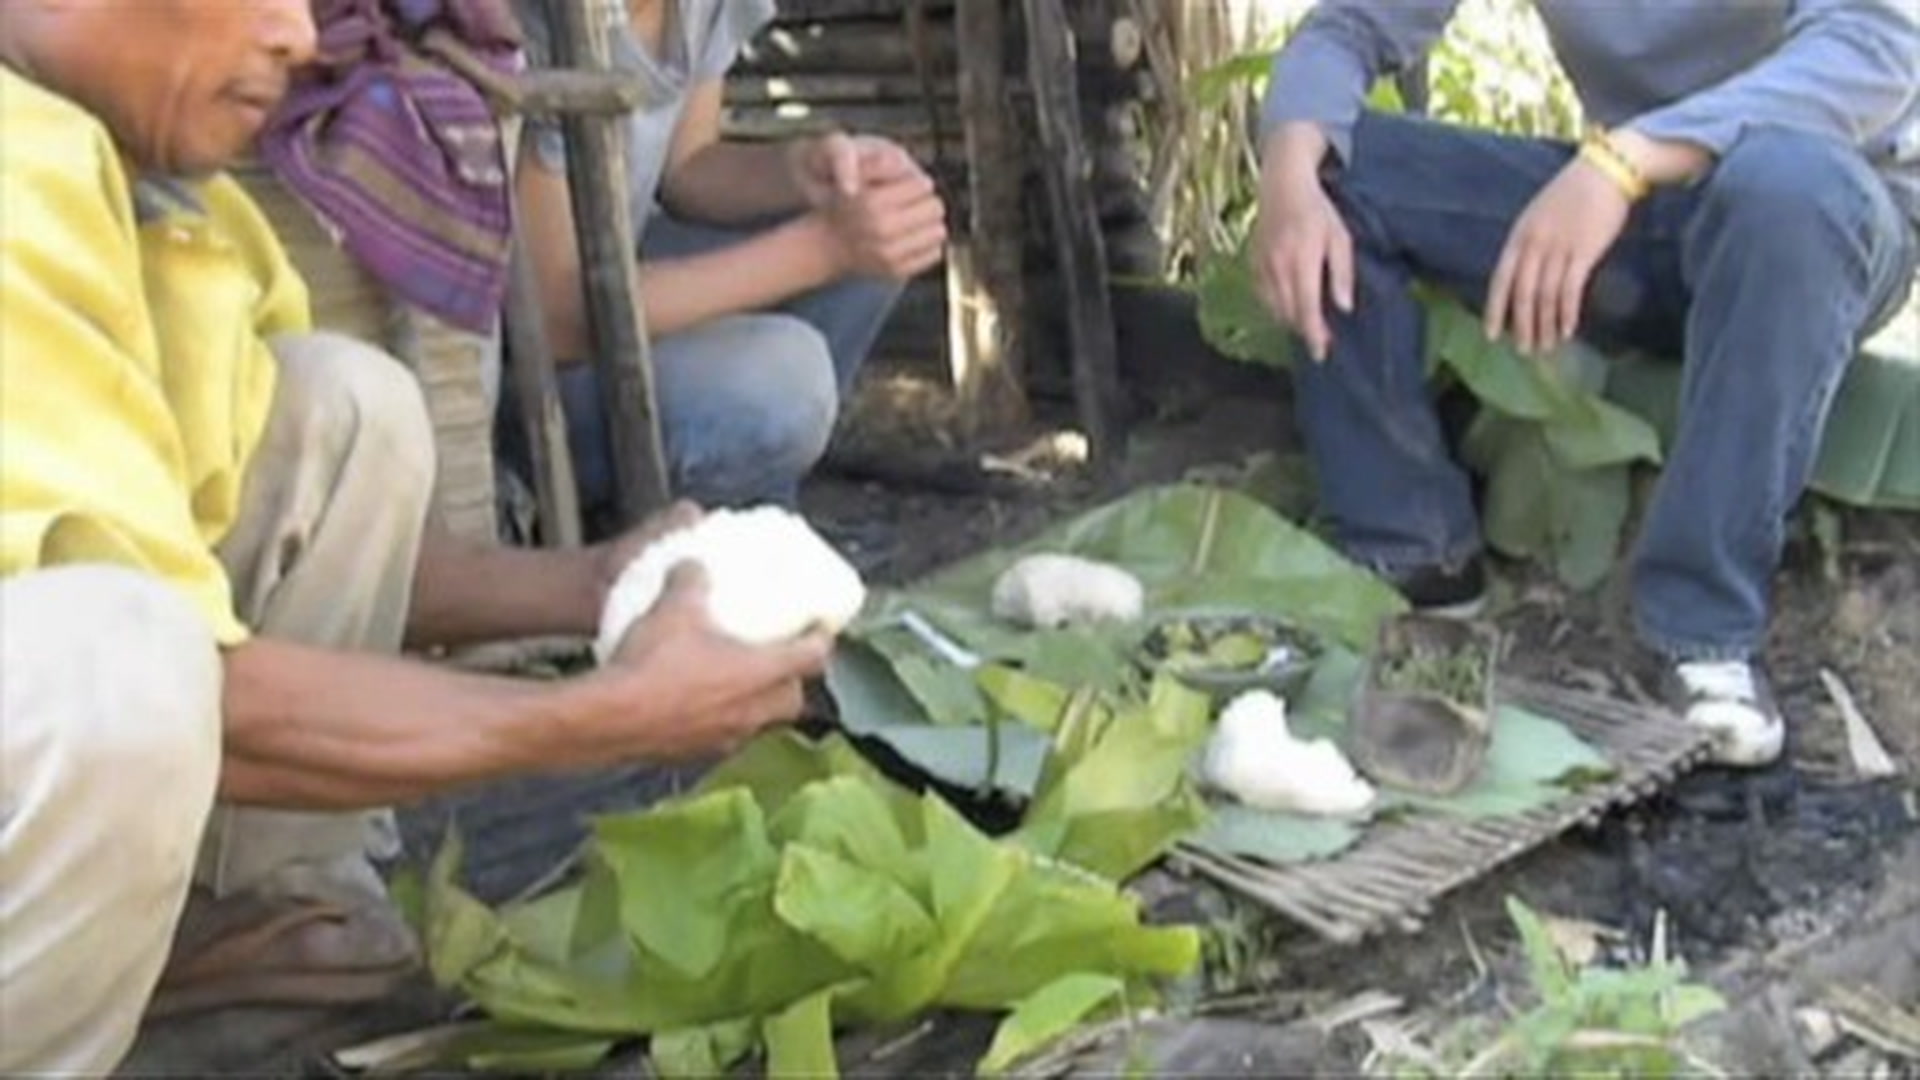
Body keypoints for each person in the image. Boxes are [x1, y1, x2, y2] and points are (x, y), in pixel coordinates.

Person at [0, 1, 833, 1072]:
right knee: (123, 668)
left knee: (343, 406)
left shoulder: (155, 198)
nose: (302, 36)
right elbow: (202, 697)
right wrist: (601, 716)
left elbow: (226, 538)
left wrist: (596, 583)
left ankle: (231, 922)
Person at [1253, 1, 1919, 766]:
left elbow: (1876, 50)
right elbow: (1349, 27)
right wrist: (1289, 174)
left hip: (1819, 213)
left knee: (1785, 186)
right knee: (1326, 155)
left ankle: (1703, 633)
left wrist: (1624, 160)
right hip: (1634, 210)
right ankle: (1417, 559)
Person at [505, 0, 949, 527]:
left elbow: (688, 165)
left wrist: (801, 171)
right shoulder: (544, 25)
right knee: (784, 381)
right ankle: (615, 526)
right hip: (526, 392)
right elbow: (556, 320)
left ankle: (744, 495)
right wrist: (821, 249)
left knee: (870, 214)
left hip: (614, 271)